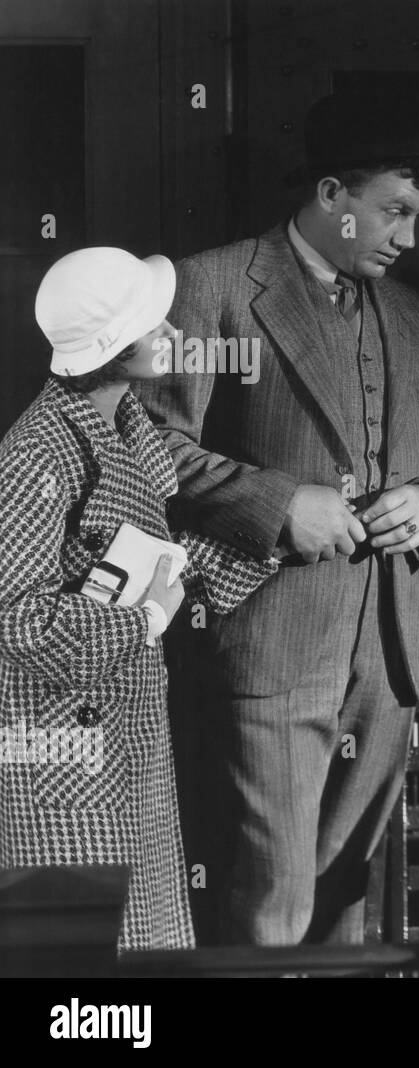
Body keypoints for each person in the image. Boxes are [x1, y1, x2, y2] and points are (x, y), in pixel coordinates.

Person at [137, 93, 419, 945]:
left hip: (388, 656)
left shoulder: (415, 314)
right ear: (332, 195)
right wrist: (280, 503)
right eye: (394, 213)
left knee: (346, 913)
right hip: (267, 647)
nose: (409, 238)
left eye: (418, 215)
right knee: (271, 904)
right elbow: (146, 447)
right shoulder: (211, 286)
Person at [0, 247, 276, 950]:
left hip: (124, 733)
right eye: (157, 324)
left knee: (136, 947)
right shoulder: (36, 455)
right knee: (72, 959)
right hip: (58, 744)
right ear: (115, 348)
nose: (175, 334)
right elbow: (21, 621)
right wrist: (148, 615)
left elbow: (154, 551)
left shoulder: (121, 426)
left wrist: (280, 535)